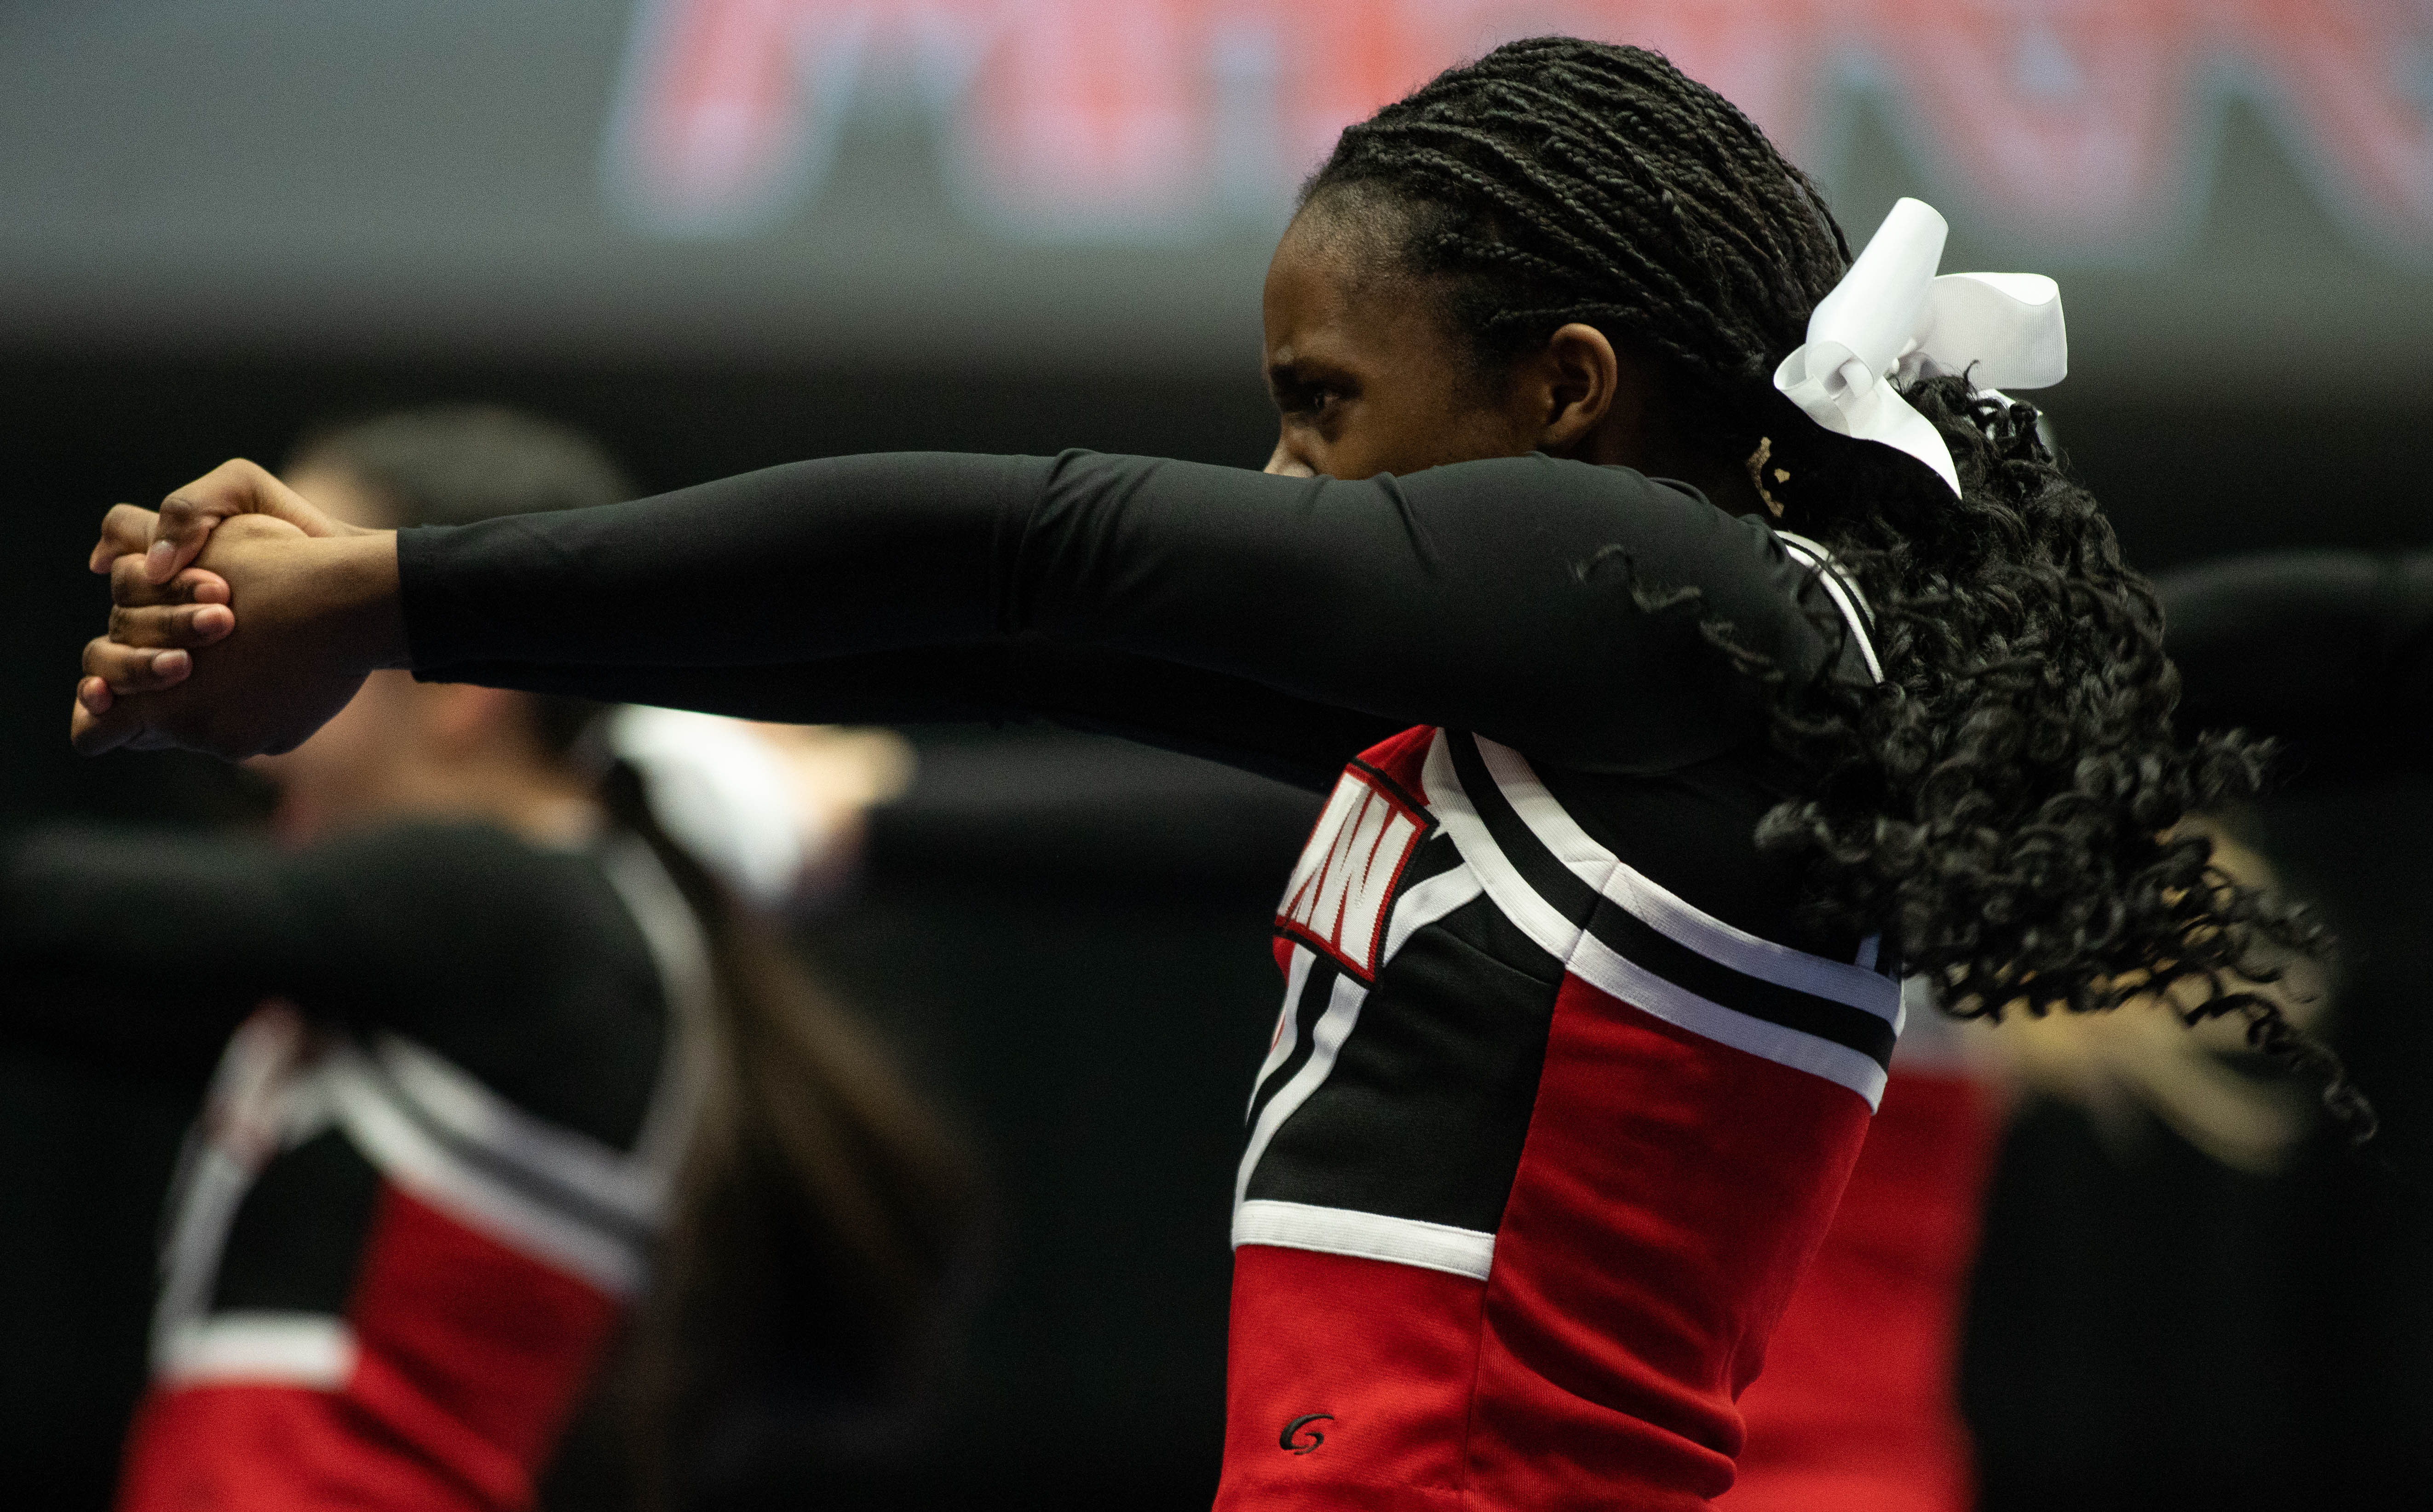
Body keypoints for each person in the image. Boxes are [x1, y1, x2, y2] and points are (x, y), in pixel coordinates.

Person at [64, 39, 2355, 1511]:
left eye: (1320, 404)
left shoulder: (1668, 597)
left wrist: (380, 585)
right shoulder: (1621, 692)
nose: (1274, 472)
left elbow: (1025, 541)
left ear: (1564, 397)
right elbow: (1000, 634)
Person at [11, 406, 971, 1512]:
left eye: (283, 627)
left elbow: (44, 914)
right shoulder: (514, 926)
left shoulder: (507, 903)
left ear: (460, 685)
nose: (258, 757)